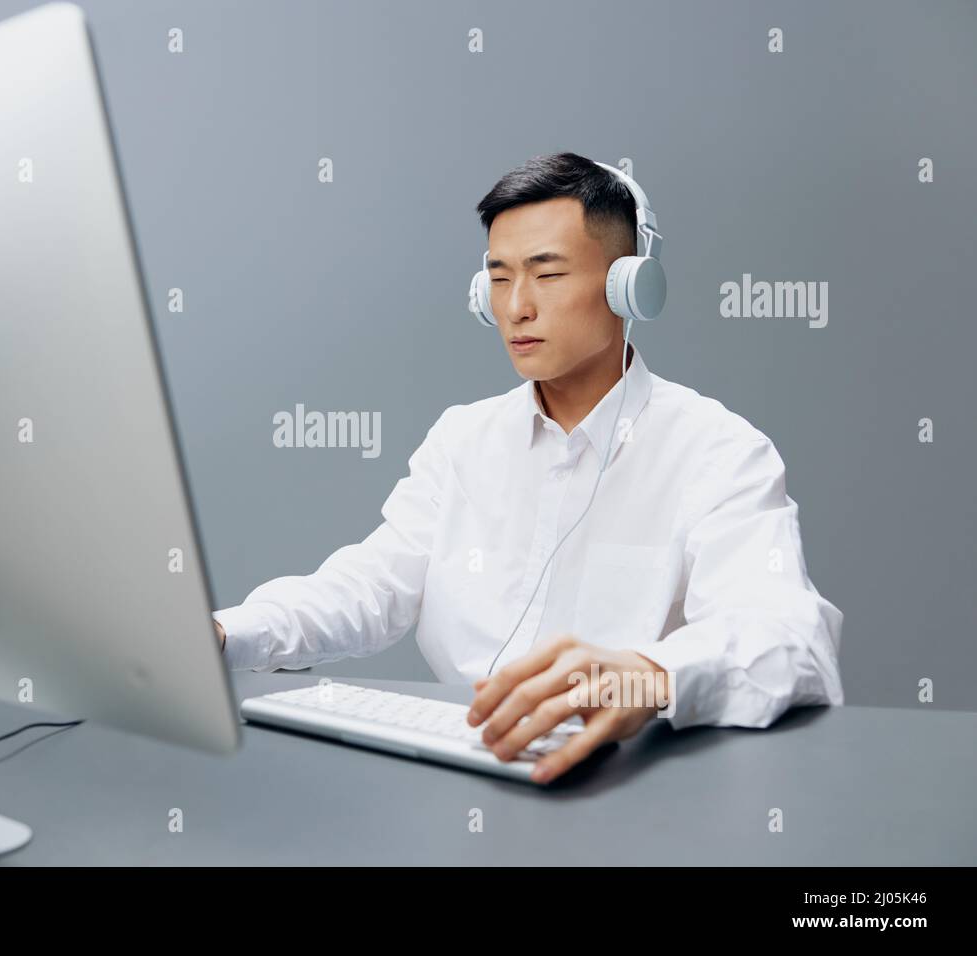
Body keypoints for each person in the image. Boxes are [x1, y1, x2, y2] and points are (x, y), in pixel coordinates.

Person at [213, 151, 843, 784]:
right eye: (499, 277)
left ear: (629, 284)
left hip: (634, 786)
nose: (516, 307)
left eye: (547, 274)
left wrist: (649, 677)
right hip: (465, 781)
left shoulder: (718, 451)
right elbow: (370, 587)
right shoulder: (463, 439)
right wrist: (221, 634)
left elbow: (791, 640)